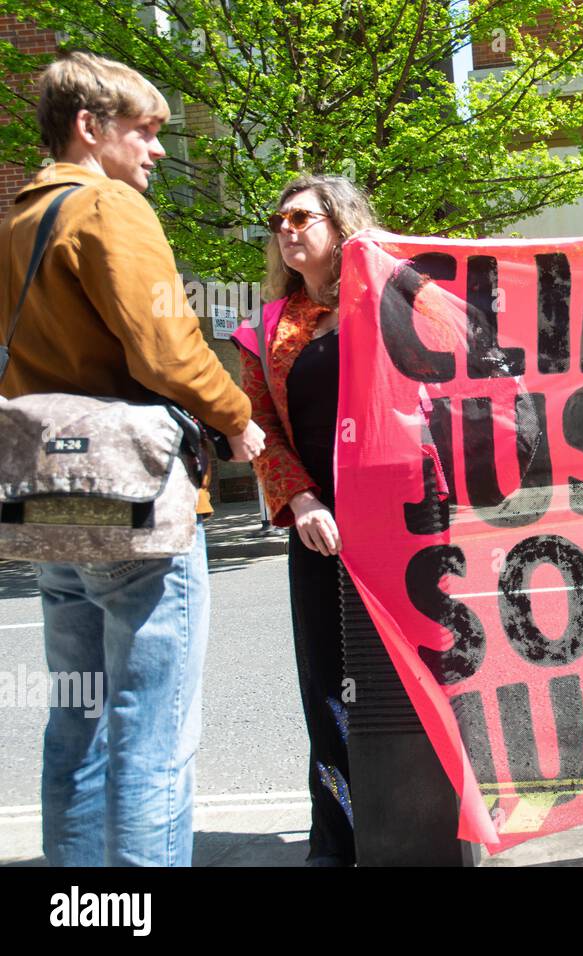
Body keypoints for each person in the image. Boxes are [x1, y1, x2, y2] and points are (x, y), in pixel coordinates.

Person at [0, 51, 266, 866]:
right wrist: (238, 419)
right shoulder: (107, 207)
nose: (156, 148)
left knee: (75, 723)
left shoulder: (17, 219)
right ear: (90, 127)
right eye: (144, 130)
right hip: (133, 500)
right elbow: (166, 348)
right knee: (152, 733)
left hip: (48, 497)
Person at [231, 175, 377, 866]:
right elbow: (259, 426)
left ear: (340, 225)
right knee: (328, 684)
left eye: (301, 216)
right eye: (277, 219)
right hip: (320, 526)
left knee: (418, 678)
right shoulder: (266, 330)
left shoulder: (393, 300)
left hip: (402, 521)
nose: (286, 229)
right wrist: (302, 499)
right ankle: (339, 837)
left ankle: (434, 820)